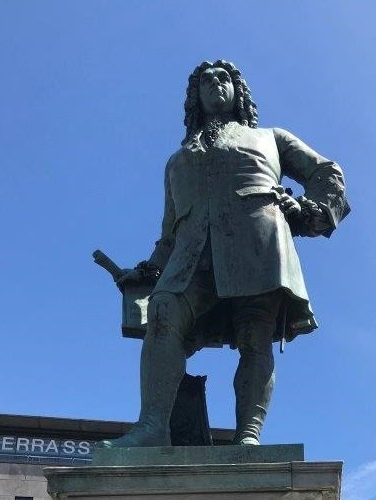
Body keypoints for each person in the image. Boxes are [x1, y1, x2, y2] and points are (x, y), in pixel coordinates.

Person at [102, 59, 349, 449]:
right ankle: (152, 427)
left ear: (238, 92)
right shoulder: (177, 160)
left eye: (224, 78)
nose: (215, 84)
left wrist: (310, 210)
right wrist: (148, 270)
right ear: (195, 97)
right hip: (190, 255)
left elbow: (327, 172)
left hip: (258, 244)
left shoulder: (272, 138)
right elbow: (170, 230)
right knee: (164, 312)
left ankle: (248, 435)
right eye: (206, 81)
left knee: (256, 337)